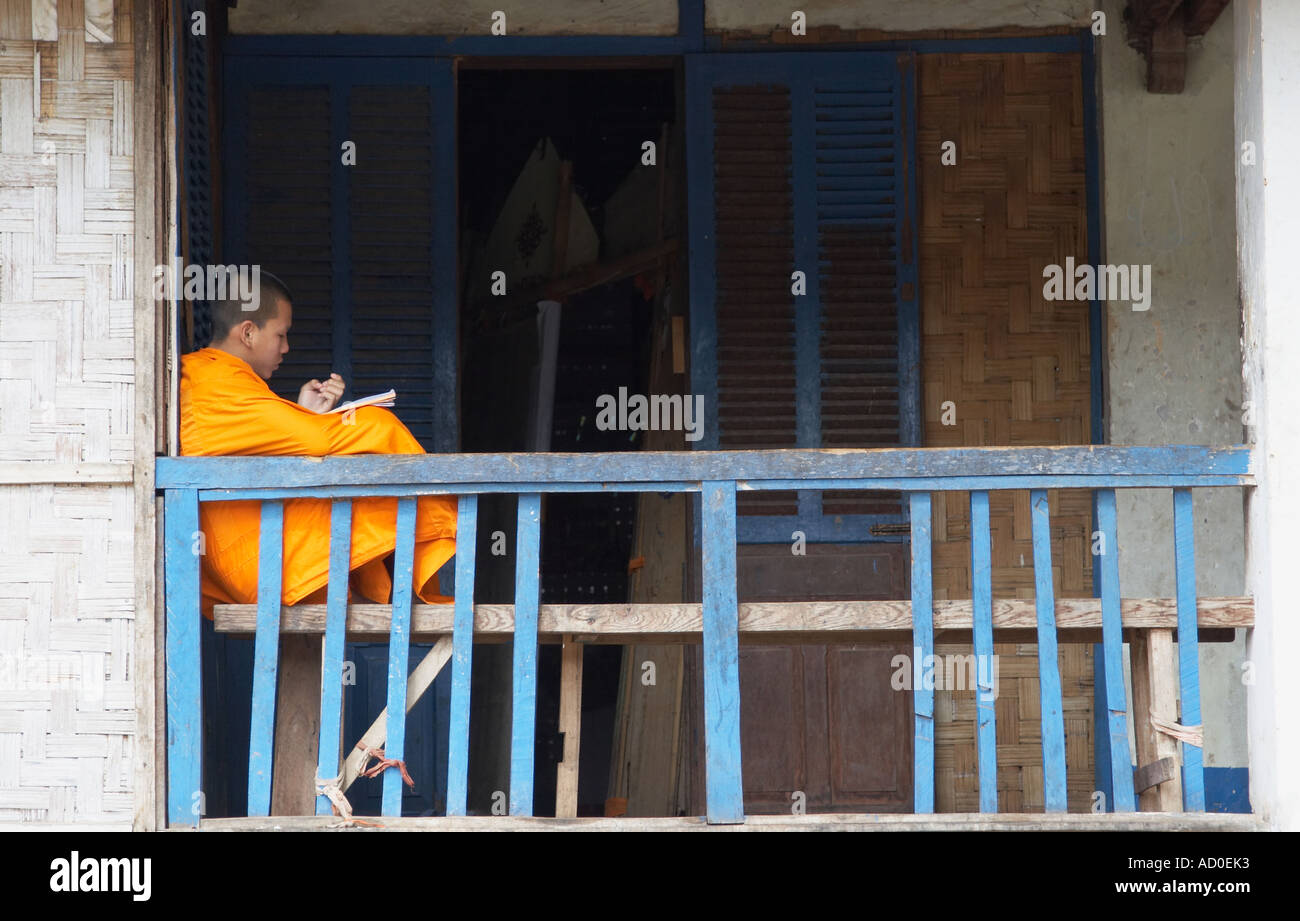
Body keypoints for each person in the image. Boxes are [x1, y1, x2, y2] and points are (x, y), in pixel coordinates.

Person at [180, 272, 457, 618]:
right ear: (248, 332)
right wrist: (352, 421)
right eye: (280, 335)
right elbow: (317, 438)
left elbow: (274, 440)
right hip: (257, 562)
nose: (286, 347)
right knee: (377, 427)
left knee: (369, 497)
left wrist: (305, 413)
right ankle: (403, 588)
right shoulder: (213, 380)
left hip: (253, 548)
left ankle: (393, 590)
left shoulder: (217, 378)